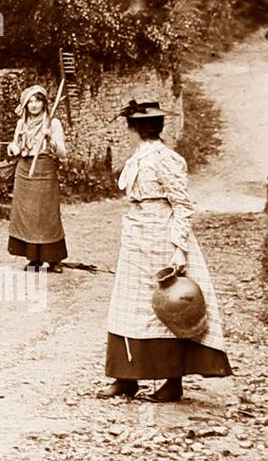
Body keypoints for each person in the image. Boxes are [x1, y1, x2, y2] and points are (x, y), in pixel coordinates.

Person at [99, 100, 232, 402]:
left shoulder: (166, 159)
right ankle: (126, 378)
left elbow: (182, 204)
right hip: (136, 235)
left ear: (135, 129)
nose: (128, 132)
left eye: (130, 126)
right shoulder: (137, 157)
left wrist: (178, 249)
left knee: (169, 304)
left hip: (161, 235)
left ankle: (172, 383)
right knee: (129, 304)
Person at [6, 85, 68, 272]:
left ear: (44, 102)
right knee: (27, 215)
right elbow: (16, 146)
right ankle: (34, 259)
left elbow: (63, 154)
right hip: (24, 171)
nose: (34, 105)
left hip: (45, 170)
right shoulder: (21, 124)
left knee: (47, 215)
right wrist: (13, 148)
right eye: (30, 102)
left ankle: (54, 259)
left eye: (37, 101)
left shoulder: (53, 123)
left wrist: (50, 140)